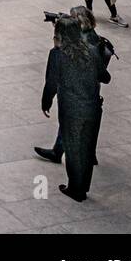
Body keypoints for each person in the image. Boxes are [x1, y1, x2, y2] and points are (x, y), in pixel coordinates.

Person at [35, 6, 113, 165]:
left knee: (70, 123)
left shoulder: (80, 44)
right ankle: (88, 154)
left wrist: (47, 100)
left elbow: (53, 79)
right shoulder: (93, 37)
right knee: (86, 126)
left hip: (77, 93)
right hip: (91, 94)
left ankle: (59, 152)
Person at [42, 16, 104, 202]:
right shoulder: (92, 51)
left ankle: (75, 189)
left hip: (71, 110)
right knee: (86, 148)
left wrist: (46, 102)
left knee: (73, 149)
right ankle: (83, 186)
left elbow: (51, 83)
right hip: (92, 108)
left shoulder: (57, 55)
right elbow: (104, 76)